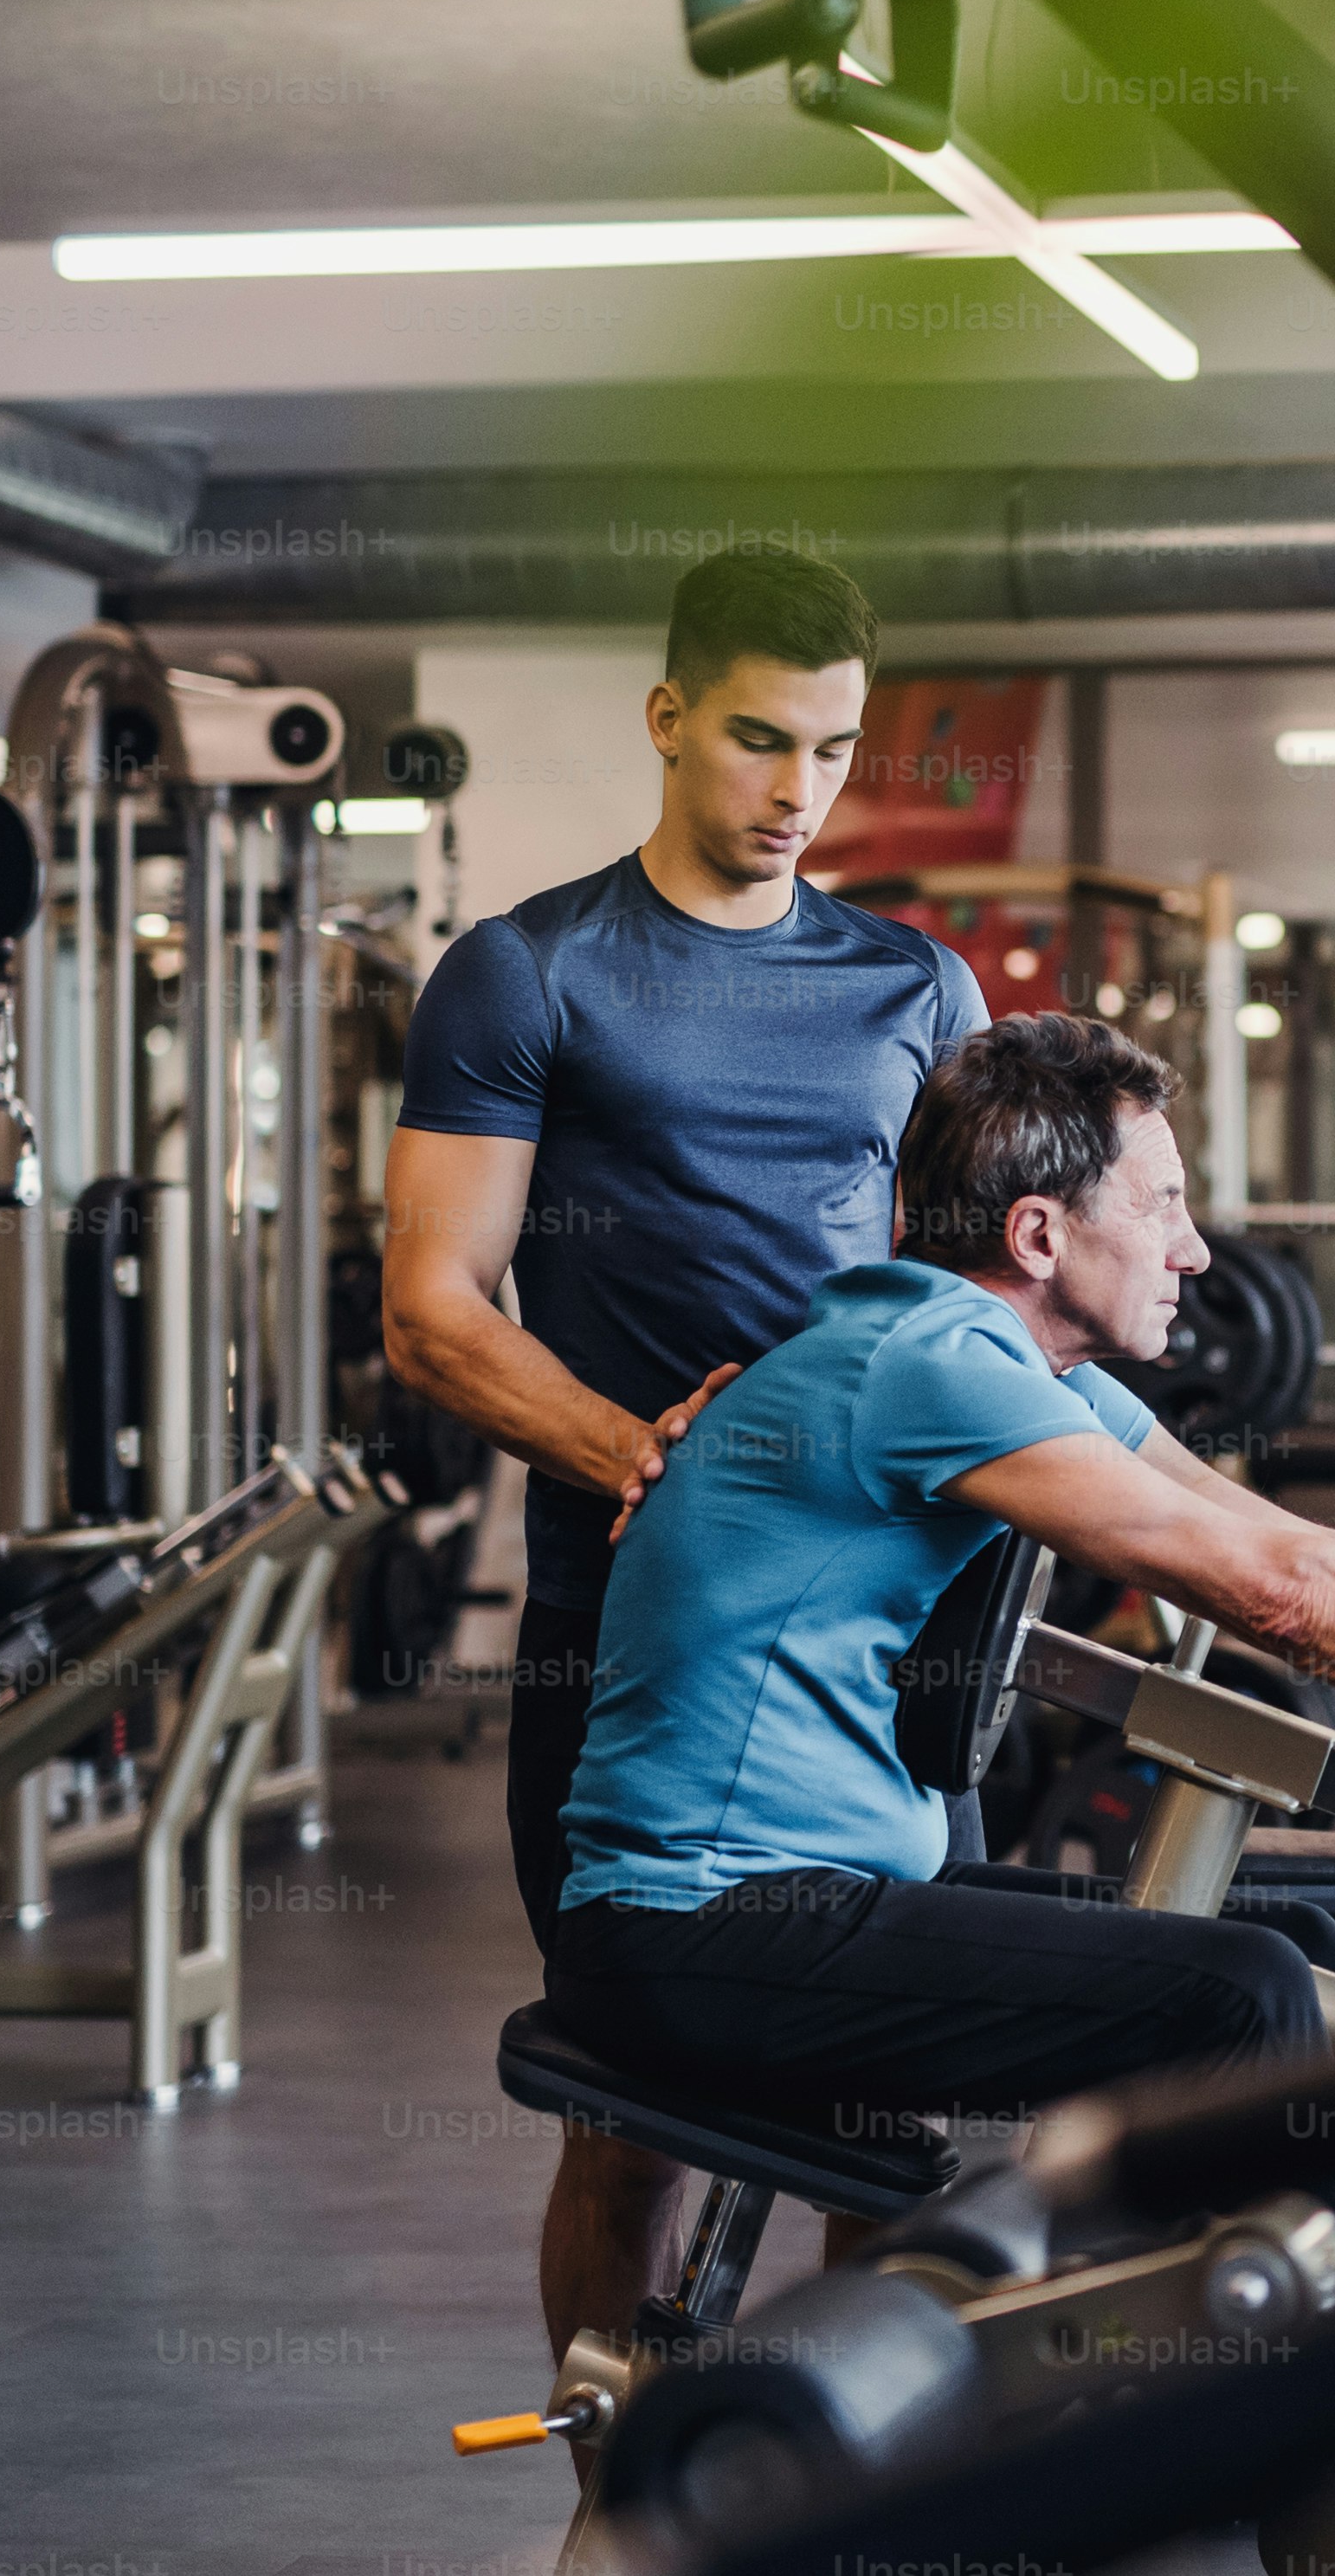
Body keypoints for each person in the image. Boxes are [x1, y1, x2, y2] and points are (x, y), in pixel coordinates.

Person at [534, 1013, 1335, 2269]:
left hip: (807, 1902)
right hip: (706, 1935)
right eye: (1161, 1206)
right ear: (1039, 1236)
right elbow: (1284, 1600)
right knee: (1241, 1998)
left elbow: (1296, 1550)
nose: (1196, 1249)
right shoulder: (930, 1361)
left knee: (1298, 1957)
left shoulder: (1020, 1366)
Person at [377, 550, 983, 2358]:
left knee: (892, 2133)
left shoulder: (917, 989)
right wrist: (656, 1461)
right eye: (758, 740)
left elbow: (972, 1317)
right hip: (626, 1640)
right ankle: (618, 2516)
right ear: (666, 719)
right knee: (635, 2119)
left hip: (880, 1653)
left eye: (836, 749)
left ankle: (858, 2495)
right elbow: (434, 1307)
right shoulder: (528, 975)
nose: (798, 791)